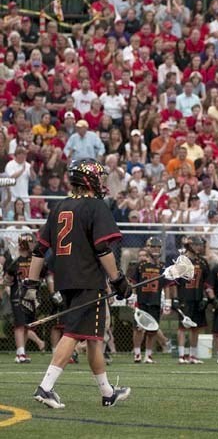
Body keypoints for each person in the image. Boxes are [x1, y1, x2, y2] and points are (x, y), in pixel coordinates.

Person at [22, 158, 132, 408]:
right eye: (99, 177)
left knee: (93, 337)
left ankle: (107, 393)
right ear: (89, 179)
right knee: (72, 333)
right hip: (87, 279)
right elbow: (103, 249)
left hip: (65, 279)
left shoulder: (60, 206)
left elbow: (40, 250)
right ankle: (46, 387)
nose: (102, 182)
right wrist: (118, 280)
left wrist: (30, 284)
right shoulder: (95, 206)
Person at [3, 233, 46, 363]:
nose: (33, 244)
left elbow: (43, 273)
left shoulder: (30, 258)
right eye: (31, 242)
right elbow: (8, 279)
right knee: (20, 325)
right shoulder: (18, 259)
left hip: (31, 297)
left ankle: (22, 352)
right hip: (21, 296)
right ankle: (20, 353)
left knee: (27, 326)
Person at [170, 236, 211, 364]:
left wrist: (204, 296)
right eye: (196, 244)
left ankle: (193, 355)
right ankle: (182, 355)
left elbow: (205, 282)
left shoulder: (202, 262)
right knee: (183, 327)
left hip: (197, 297)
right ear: (189, 245)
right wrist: (175, 298)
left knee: (196, 327)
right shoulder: (181, 261)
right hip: (184, 297)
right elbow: (174, 281)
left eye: (200, 244)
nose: (199, 247)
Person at [129, 245, 164, 364]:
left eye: (157, 247)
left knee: (153, 329)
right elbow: (133, 283)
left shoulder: (162, 266)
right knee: (138, 328)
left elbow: (168, 285)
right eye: (153, 247)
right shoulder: (140, 265)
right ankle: (137, 353)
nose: (155, 249)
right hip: (142, 299)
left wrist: (168, 301)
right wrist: (133, 298)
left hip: (155, 300)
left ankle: (148, 355)